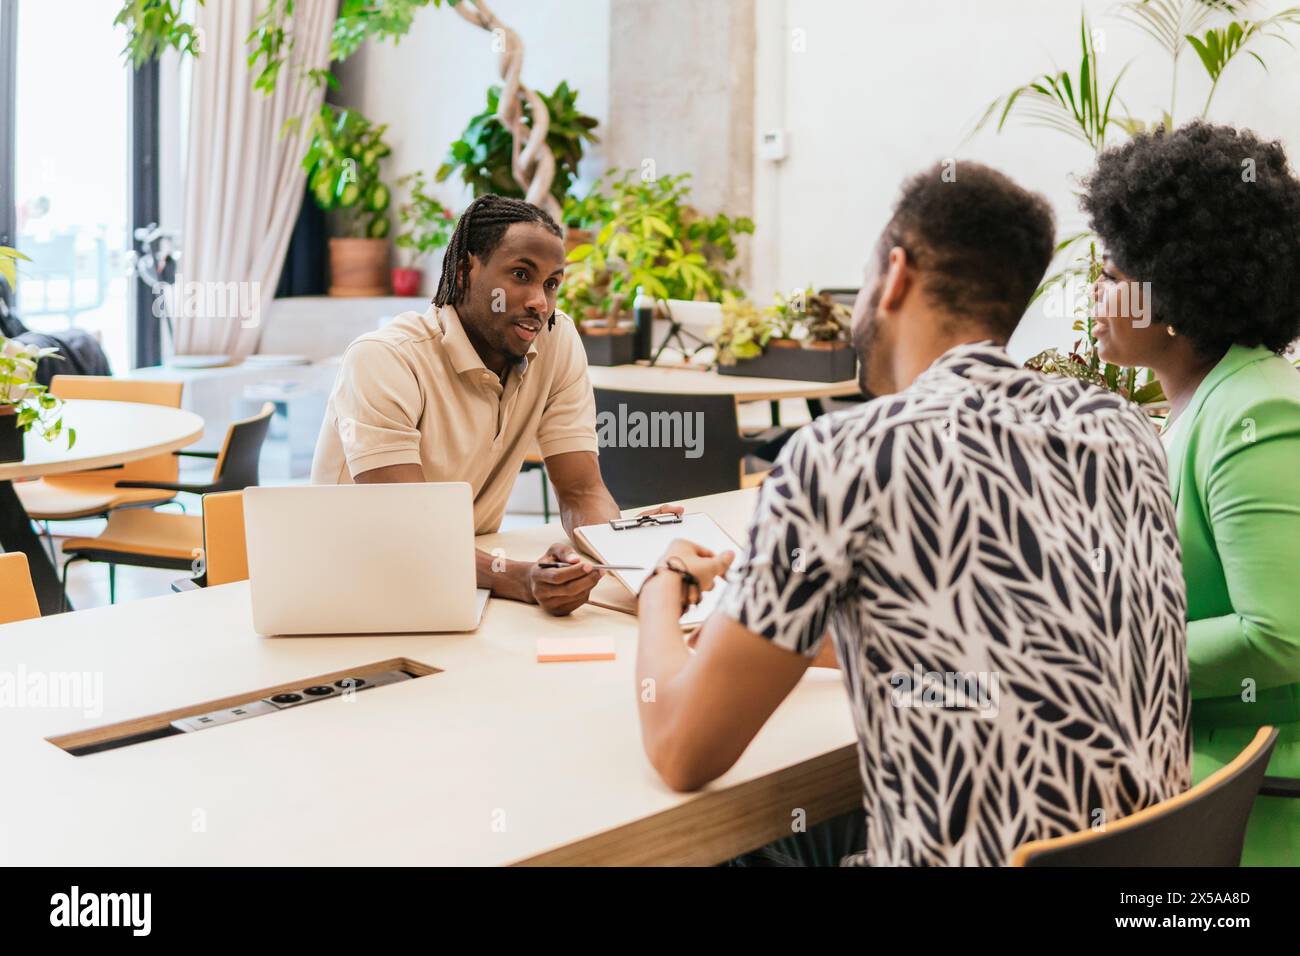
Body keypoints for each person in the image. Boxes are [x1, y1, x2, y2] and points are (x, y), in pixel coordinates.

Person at [633, 161, 1192, 866]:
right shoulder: (1123, 434)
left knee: (714, 849)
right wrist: (781, 610)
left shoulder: (841, 455)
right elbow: (990, 654)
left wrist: (664, 582)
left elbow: (681, 749)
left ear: (895, 275)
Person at [1080, 121, 1300, 866]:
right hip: (1184, 769)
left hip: (1240, 800)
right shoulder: (1200, 403)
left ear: (1172, 287)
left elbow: (1280, 635)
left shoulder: (1255, 410)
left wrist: (1101, 648)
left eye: (1111, 276)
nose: (1095, 294)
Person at [312, 194, 678, 615]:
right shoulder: (385, 358)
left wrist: (625, 549)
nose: (540, 301)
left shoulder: (556, 343)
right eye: (521, 274)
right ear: (466, 272)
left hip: (465, 574)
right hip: (353, 585)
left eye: (552, 283)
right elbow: (409, 527)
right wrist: (520, 578)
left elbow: (580, 490)